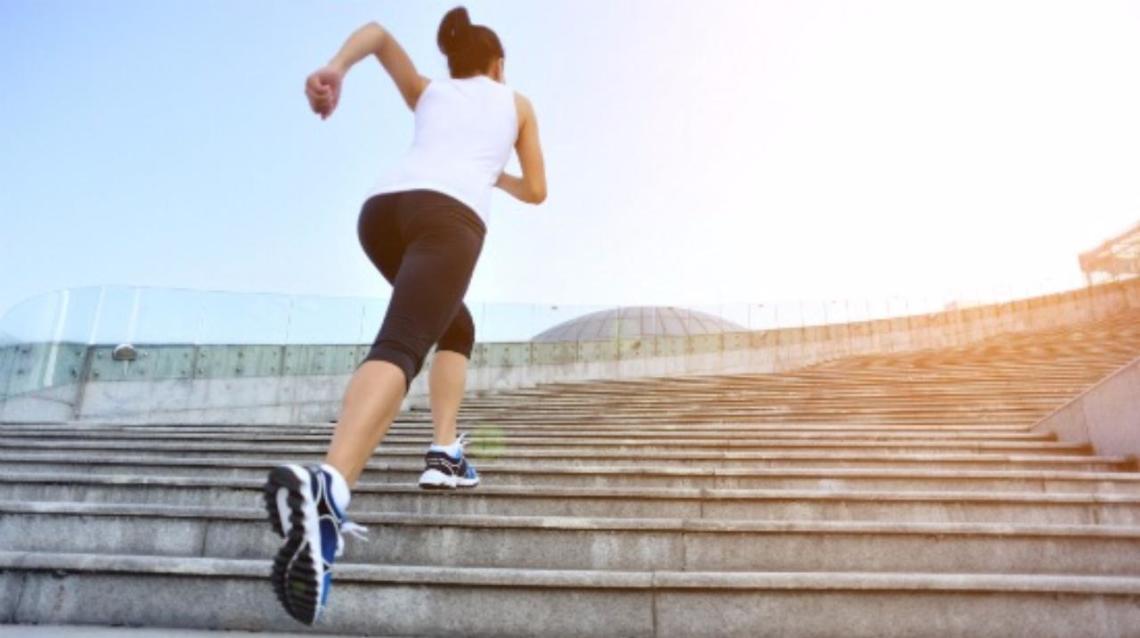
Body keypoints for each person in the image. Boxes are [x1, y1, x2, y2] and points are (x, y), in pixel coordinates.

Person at [260, 6, 546, 625]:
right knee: (403, 343)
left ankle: (444, 453)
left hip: (383, 212)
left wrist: (334, 69)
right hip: (449, 218)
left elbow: (380, 36)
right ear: (498, 64)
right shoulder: (516, 102)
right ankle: (329, 490)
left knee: (455, 326)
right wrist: (493, 175)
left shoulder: (431, 90)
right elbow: (539, 189)